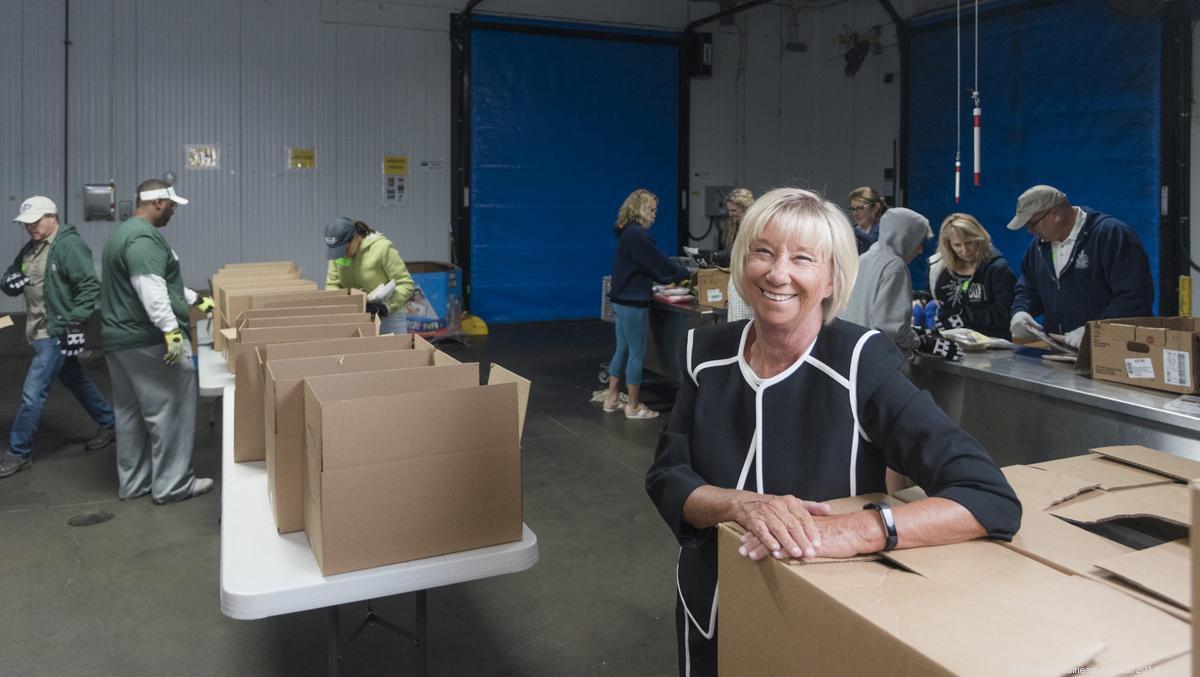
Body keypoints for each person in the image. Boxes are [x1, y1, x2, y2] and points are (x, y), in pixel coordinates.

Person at [645, 188, 1021, 676]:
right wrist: (740, 504)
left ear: (831, 279)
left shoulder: (861, 362)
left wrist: (854, 529)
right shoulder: (704, 353)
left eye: (803, 258)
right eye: (763, 252)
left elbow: (988, 496)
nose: (778, 273)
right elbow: (668, 476)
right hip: (710, 605)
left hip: (820, 613)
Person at [100, 180, 212, 504]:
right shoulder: (144, 238)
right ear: (158, 202)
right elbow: (150, 288)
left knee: (130, 413)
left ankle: (134, 483)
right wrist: (171, 331)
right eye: (171, 206)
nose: (173, 212)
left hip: (120, 341)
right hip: (148, 340)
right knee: (171, 409)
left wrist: (199, 301)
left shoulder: (123, 233)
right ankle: (173, 485)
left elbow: (163, 284)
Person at [0, 196, 115, 478]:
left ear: (52, 217)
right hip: (37, 330)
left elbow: (88, 286)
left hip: (55, 331)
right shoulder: (32, 248)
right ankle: (109, 422)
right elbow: (13, 275)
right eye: (26, 223)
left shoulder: (68, 246)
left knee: (32, 393)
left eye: (35, 221)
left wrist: (76, 323)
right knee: (75, 380)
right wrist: (8, 282)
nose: (30, 227)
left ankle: (18, 453)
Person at [1006, 185, 1154, 348]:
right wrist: (1021, 311)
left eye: (1032, 223)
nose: (1029, 231)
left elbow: (1135, 296)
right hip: (1062, 349)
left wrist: (1095, 329)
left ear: (1055, 214)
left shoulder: (1111, 236)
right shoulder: (1039, 246)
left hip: (1111, 350)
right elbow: (1029, 287)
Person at [602, 189, 690, 420]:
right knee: (637, 353)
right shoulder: (639, 235)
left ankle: (611, 398)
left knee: (622, 349)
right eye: (651, 210)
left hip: (620, 299)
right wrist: (683, 273)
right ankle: (633, 406)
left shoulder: (627, 233)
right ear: (639, 209)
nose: (654, 215)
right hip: (633, 302)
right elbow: (658, 263)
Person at [839, 207, 961, 360]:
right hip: (879, 358)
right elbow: (891, 328)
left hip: (855, 351)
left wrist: (914, 331)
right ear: (905, 238)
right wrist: (920, 342)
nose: (920, 250)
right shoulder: (894, 266)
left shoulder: (867, 257)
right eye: (919, 242)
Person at [928, 213, 1017, 339]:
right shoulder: (940, 267)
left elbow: (1006, 311)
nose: (965, 250)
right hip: (950, 340)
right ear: (948, 245)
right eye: (957, 245)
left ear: (979, 239)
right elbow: (934, 300)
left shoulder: (998, 268)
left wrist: (969, 316)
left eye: (969, 242)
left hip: (990, 342)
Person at [324, 217, 414, 335]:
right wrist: (344, 306)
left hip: (388, 317)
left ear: (356, 237)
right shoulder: (338, 256)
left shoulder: (382, 248)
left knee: (391, 347)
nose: (343, 255)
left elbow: (405, 284)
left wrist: (386, 307)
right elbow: (332, 285)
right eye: (337, 251)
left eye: (345, 249)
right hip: (356, 316)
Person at [848, 186, 887, 254]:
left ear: (876, 208)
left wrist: (852, 231)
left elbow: (874, 243)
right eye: (853, 209)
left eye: (860, 208)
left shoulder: (884, 232)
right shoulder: (850, 231)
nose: (855, 213)